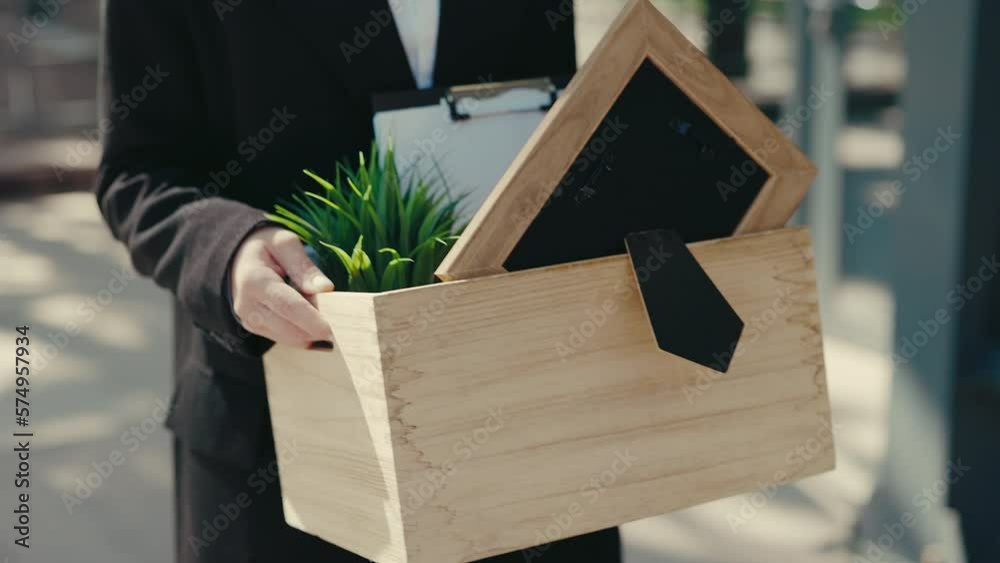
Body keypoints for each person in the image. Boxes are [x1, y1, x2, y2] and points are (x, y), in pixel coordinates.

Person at [95, 1, 621, 561]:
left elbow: (553, 124)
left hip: (524, 412)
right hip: (276, 434)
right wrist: (228, 250)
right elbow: (136, 172)